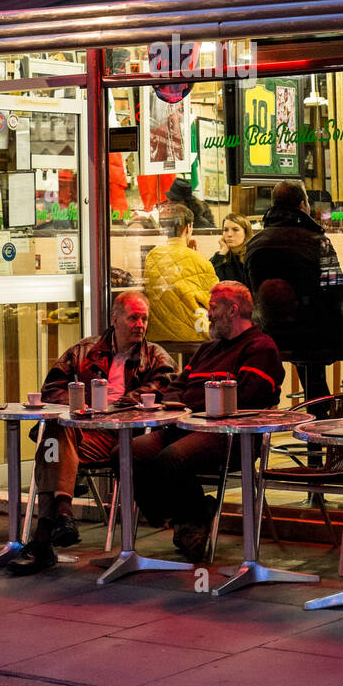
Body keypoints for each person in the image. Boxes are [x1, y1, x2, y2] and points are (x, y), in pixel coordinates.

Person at [8, 291, 174, 575]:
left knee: (53, 444)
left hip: (122, 434)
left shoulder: (155, 356)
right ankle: (61, 515)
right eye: (133, 318)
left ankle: (46, 534)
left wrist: (116, 406)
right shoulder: (84, 351)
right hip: (82, 431)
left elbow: (164, 388)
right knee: (56, 431)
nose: (140, 325)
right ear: (115, 319)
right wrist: (81, 404)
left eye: (144, 318)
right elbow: (52, 388)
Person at [131, 281, 284, 560]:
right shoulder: (207, 350)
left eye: (213, 308)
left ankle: (190, 519)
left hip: (232, 437)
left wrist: (188, 403)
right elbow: (176, 386)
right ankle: (189, 517)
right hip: (184, 428)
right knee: (129, 452)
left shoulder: (261, 348)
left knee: (171, 459)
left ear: (233, 310)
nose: (208, 314)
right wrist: (182, 402)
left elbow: (247, 397)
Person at [244, 179, 343, 400]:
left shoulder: (254, 243)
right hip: (315, 334)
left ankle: (317, 402)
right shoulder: (317, 241)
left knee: (303, 336)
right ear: (301, 205)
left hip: (269, 334)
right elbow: (338, 293)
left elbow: (250, 292)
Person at [143, 205, 219, 354]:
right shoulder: (200, 260)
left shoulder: (152, 256)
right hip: (193, 333)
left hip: (158, 333)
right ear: (189, 227)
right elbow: (213, 299)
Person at [210, 212, 253, 286]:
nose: (229, 234)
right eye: (226, 230)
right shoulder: (221, 256)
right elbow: (208, 277)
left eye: (235, 230)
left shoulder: (251, 256)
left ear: (246, 233)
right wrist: (223, 251)